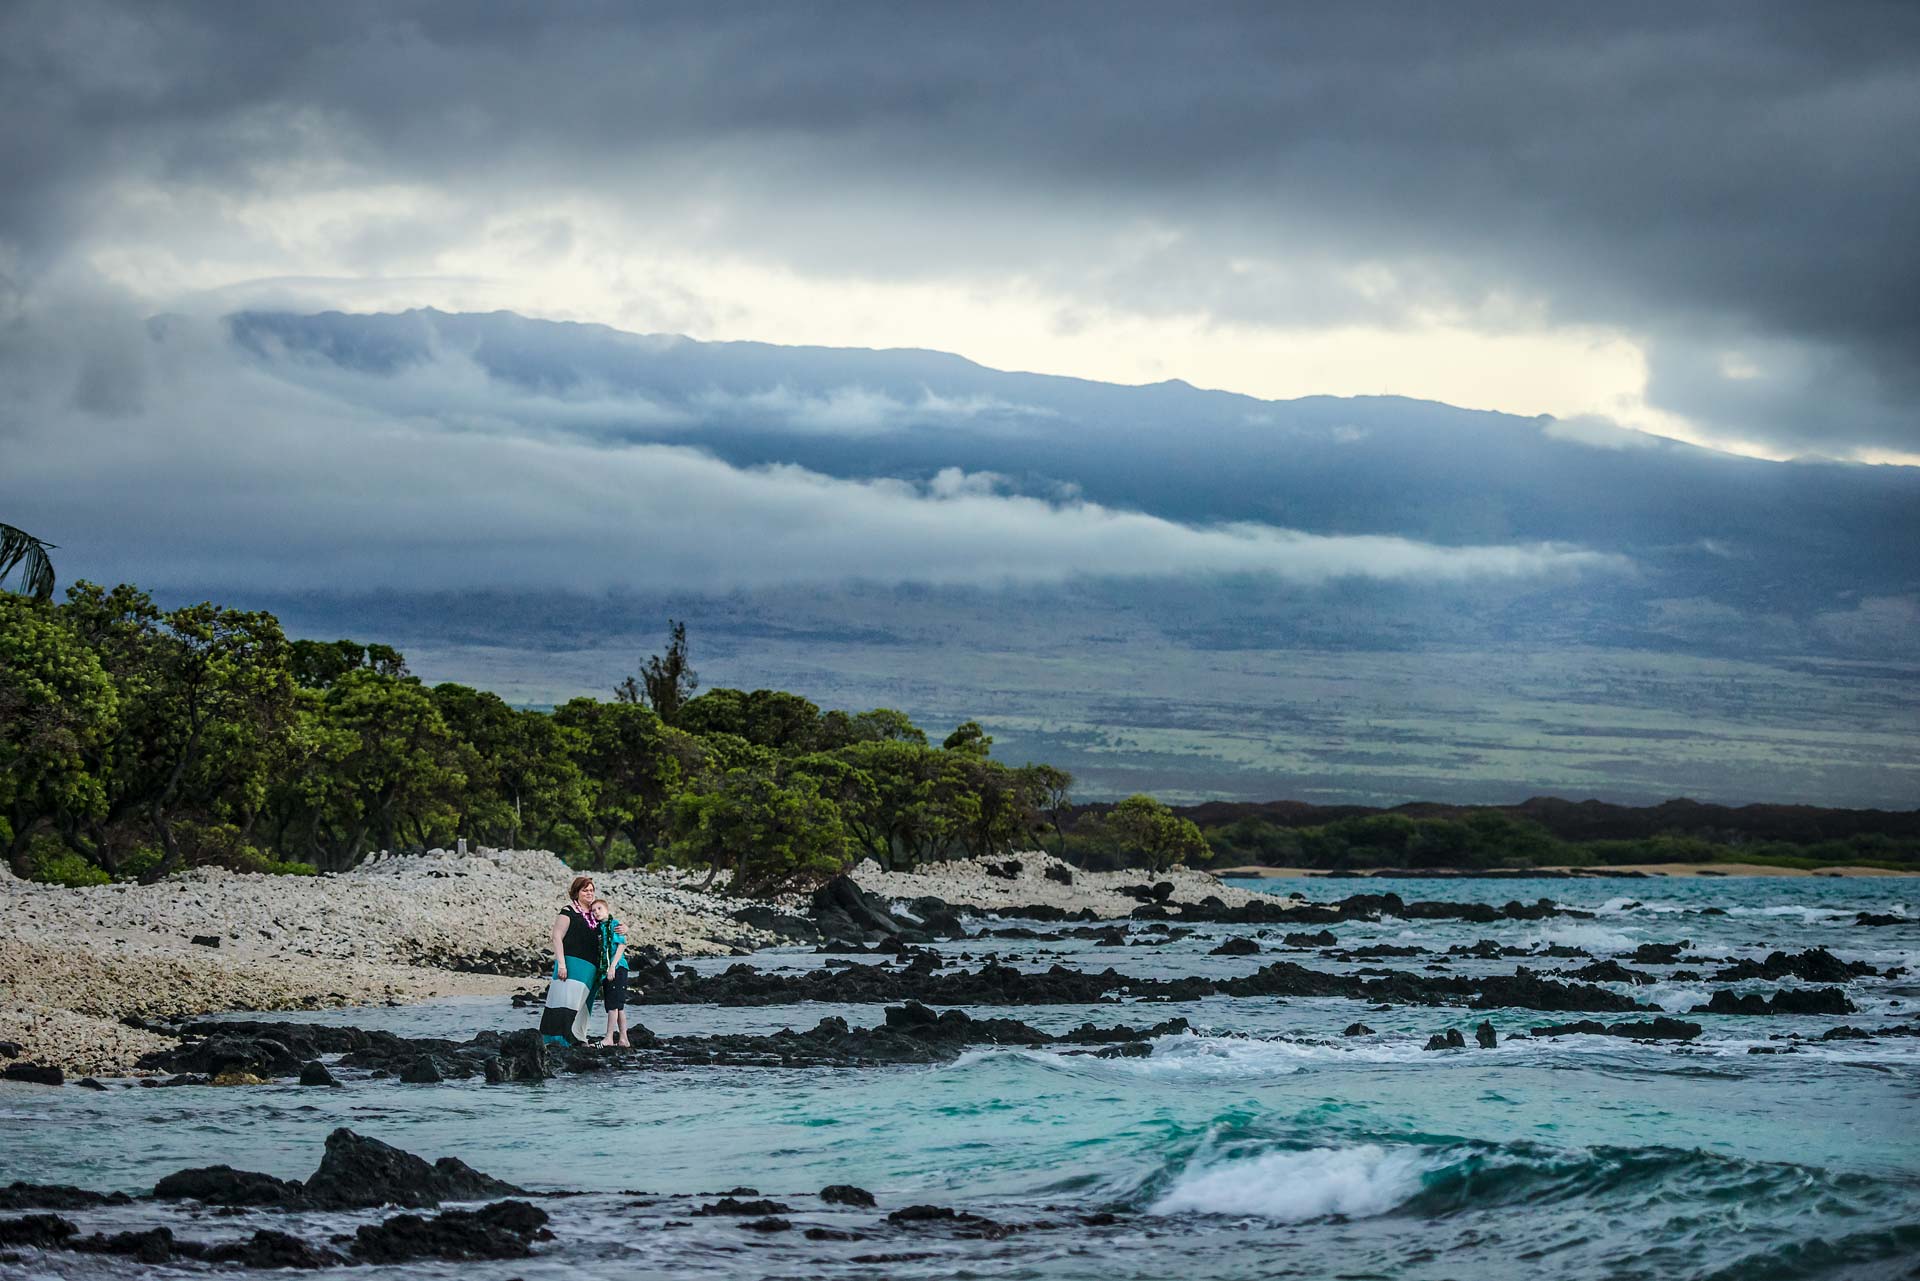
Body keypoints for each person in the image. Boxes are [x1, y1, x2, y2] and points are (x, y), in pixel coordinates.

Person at [540, 875, 603, 1046]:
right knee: (563, 1001)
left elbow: (611, 927)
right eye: (585, 890)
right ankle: (557, 1039)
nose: (589, 893)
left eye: (591, 890)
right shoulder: (568, 911)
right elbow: (557, 937)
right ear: (576, 893)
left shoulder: (595, 914)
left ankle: (578, 1037)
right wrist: (561, 964)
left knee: (582, 1004)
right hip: (570, 963)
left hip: (589, 967)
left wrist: (624, 928)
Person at [592, 899, 633, 1047]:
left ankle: (609, 1037)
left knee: (612, 1005)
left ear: (607, 910)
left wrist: (612, 967)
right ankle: (623, 1039)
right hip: (607, 970)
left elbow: (621, 945)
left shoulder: (614, 925)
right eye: (594, 911)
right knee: (618, 1006)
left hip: (617, 967)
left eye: (599, 909)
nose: (596, 912)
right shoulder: (599, 928)